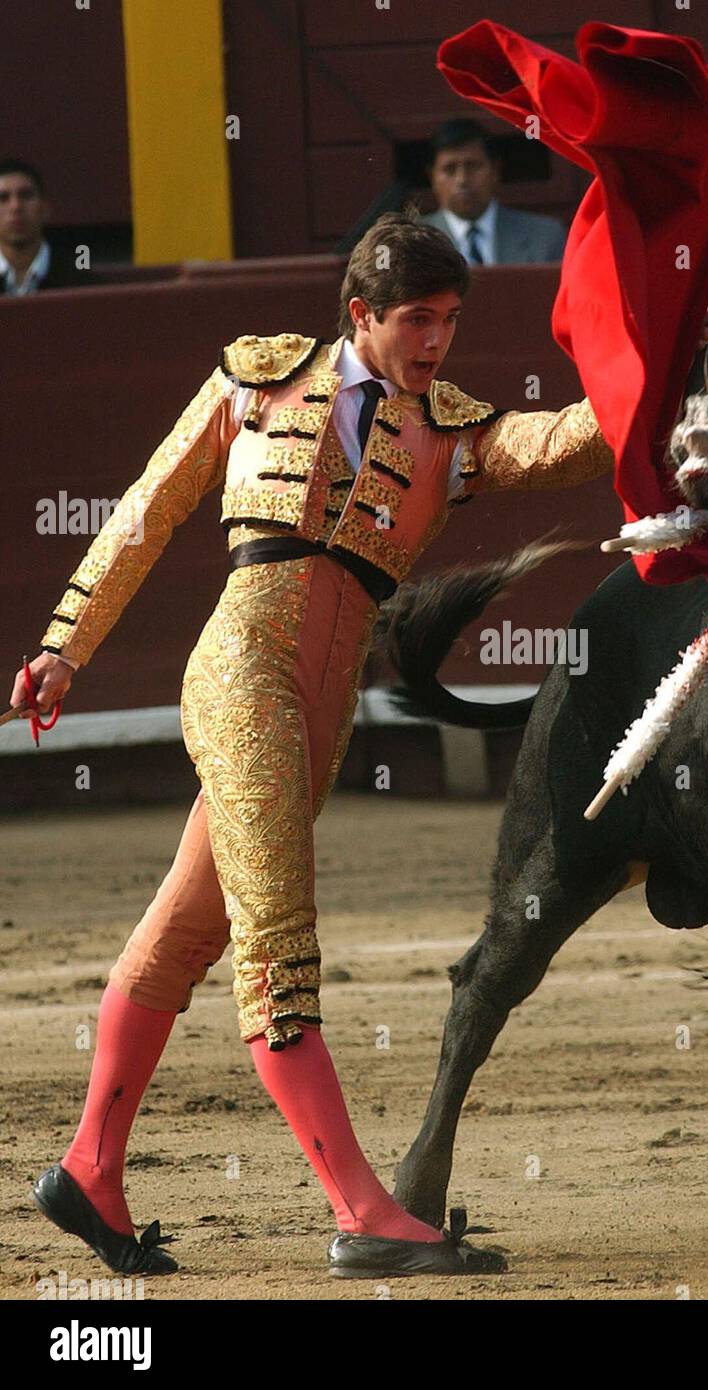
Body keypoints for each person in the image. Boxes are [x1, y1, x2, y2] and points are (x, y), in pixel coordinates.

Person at [15, 212, 618, 1281]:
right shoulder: (257, 382)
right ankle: (362, 1210)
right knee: (278, 943)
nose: (436, 343)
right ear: (362, 315)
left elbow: (571, 440)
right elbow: (146, 512)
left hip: (320, 710)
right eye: (417, 321)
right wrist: (66, 646)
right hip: (243, 673)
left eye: (450, 321)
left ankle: (90, 1169)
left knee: (182, 935)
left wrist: (657, 365)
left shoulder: (452, 431)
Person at [420, 119, 566, 265]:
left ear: (495, 170)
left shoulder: (545, 237)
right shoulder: (416, 243)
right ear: (432, 177)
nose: (462, 179)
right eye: (449, 169)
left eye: (472, 166)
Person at [0, 160, 93, 294]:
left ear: (45, 208)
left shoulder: (82, 283)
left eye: (26, 196)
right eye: (3, 198)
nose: (16, 207)